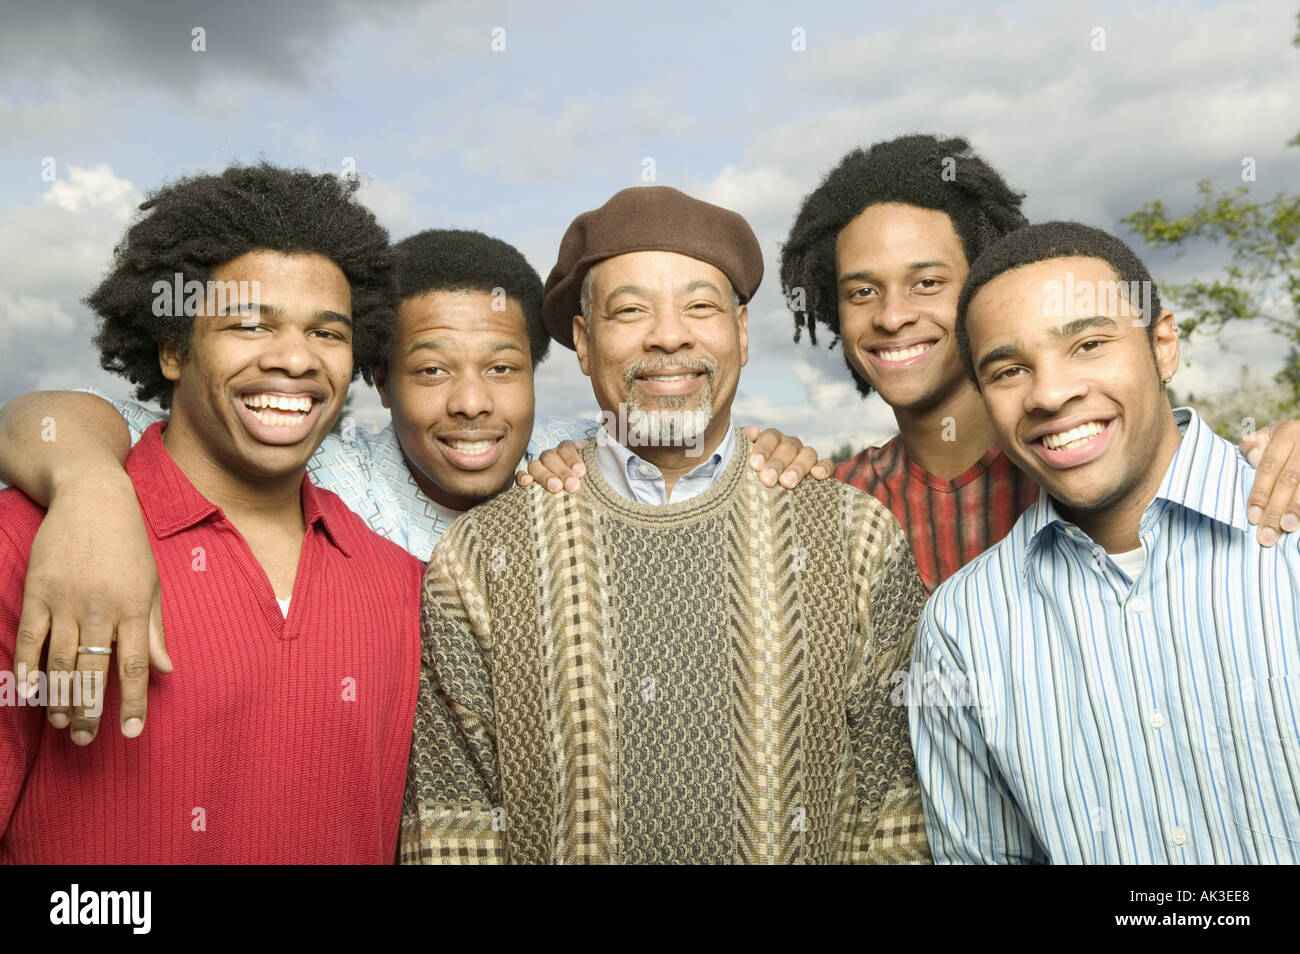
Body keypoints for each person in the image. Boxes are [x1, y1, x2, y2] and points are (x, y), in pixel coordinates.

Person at [0, 231, 824, 743]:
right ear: (382, 382)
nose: (471, 403)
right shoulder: (321, 475)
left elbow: (689, 451)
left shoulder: (572, 469)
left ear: (544, 374)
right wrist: (87, 486)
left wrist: (771, 452)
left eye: (503, 370)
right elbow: (73, 418)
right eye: (430, 371)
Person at [401, 185, 932, 864]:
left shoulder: (854, 537)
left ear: (741, 333)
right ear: (585, 344)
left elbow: (897, 818)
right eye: (630, 310)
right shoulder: (480, 556)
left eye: (700, 305)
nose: (670, 334)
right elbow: (452, 828)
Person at [0, 163, 421, 863]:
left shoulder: (401, 582)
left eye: (328, 332)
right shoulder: (37, 544)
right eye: (250, 324)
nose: (295, 358)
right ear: (173, 348)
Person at [911, 221, 1300, 864]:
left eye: (1089, 344)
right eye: (1009, 370)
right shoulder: (961, 627)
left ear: (1164, 345)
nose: (1051, 393)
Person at [777, 134, 1300, 592]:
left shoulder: (1100, 457)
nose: (892, 316)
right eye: (862, 291)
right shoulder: (830, 501)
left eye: (927, 283)